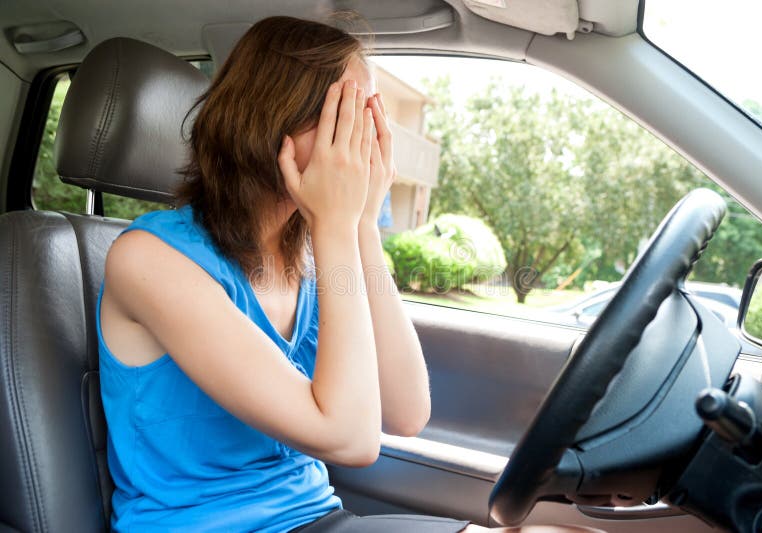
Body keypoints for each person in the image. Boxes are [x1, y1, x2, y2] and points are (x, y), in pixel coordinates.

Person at [98, 15, 604, 533]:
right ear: (275, 120)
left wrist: (363, 222)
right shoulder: (149, 261)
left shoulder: (315, 256)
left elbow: (408, 411)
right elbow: (352, 440)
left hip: (316, 519)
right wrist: (337, 226)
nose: (367, 139)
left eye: (373, 117)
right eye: (350, 116)